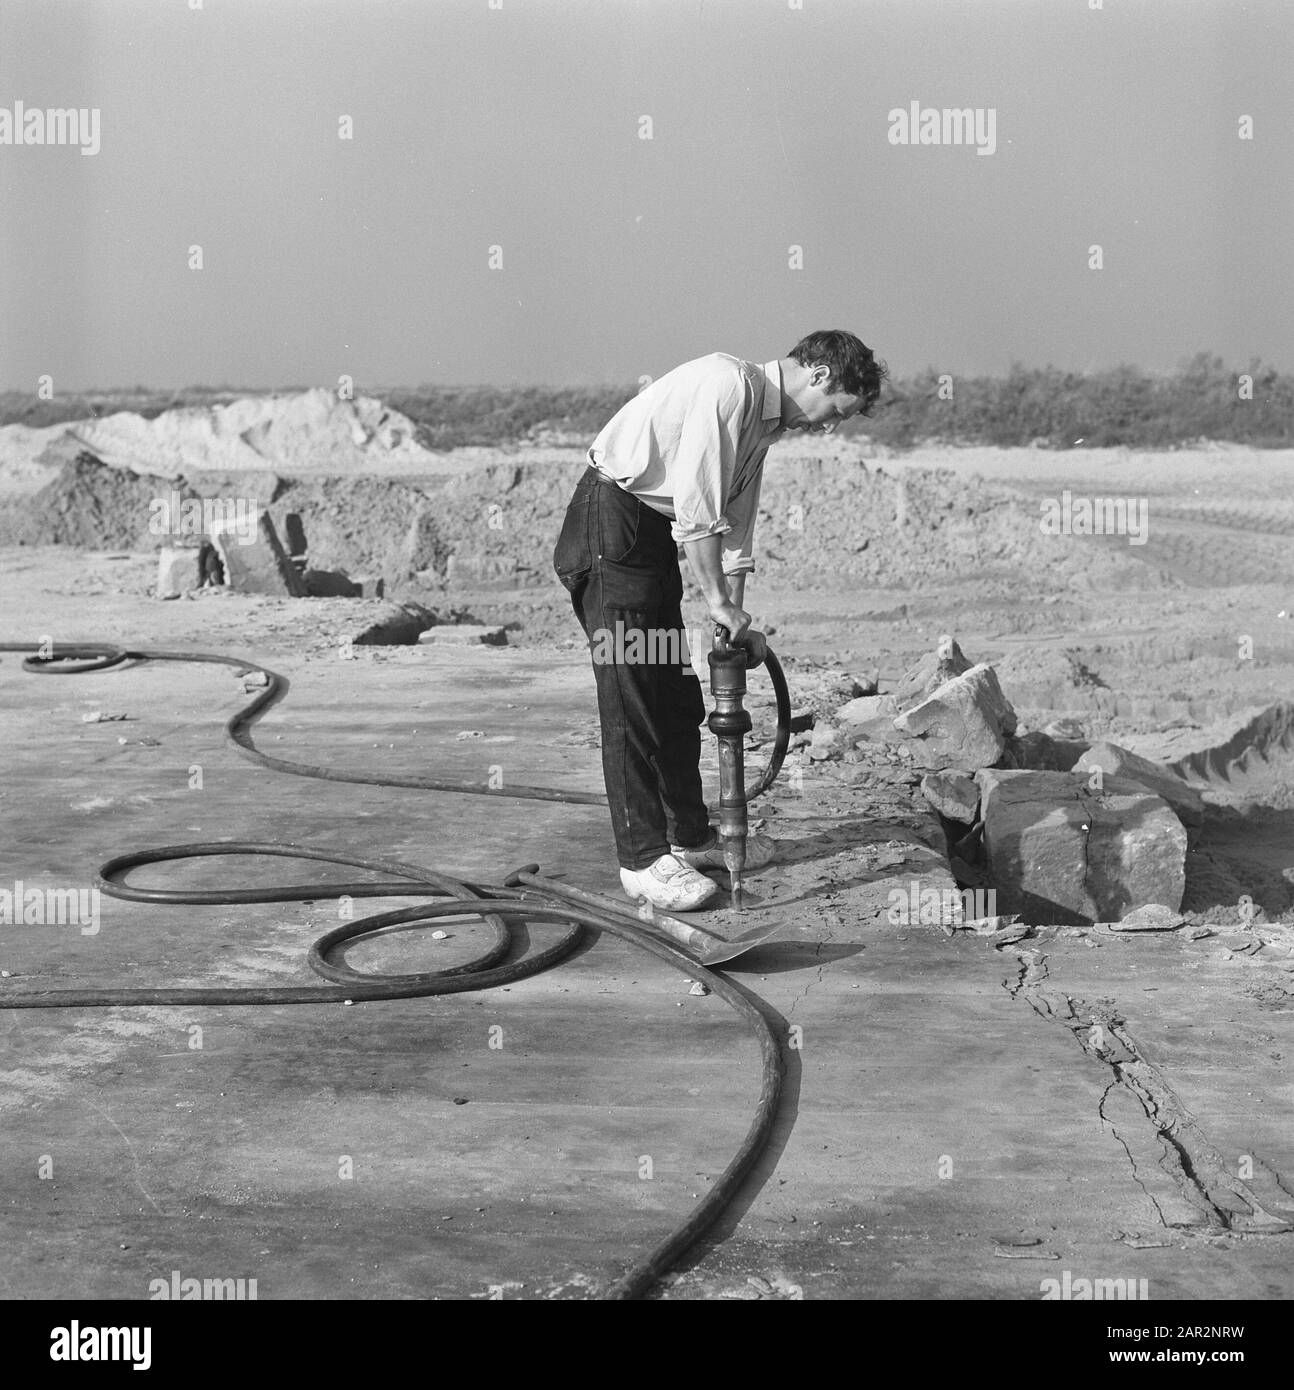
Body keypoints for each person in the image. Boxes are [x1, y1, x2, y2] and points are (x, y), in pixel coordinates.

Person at [553, 330, 887, 910]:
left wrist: (729, 616)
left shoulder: (762, 426)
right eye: (838, 411)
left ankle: (692, 837)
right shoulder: (728, 386)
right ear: (821, 377)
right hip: (612, 528)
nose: (830, 426)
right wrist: (718, 603)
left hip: (648, 541)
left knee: (676, 699)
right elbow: (698, 504)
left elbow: (735, 532)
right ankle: (642, 861)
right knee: (632, 695)